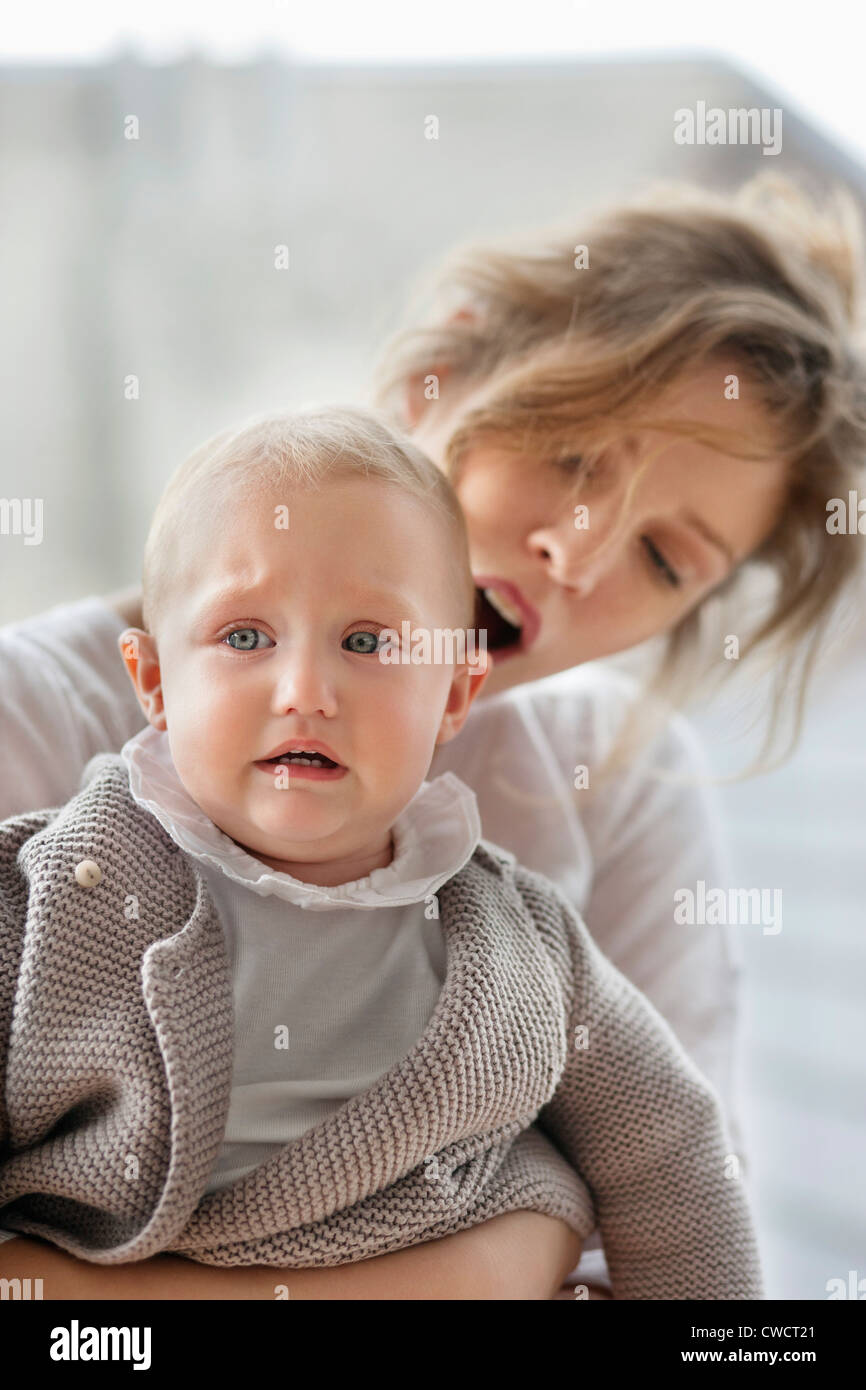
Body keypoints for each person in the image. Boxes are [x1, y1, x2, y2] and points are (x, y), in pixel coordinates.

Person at [1, 173, 863, 1299]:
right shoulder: (35, 719)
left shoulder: (617, 785)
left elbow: (673, 1207)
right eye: (574, 457)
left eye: (663, 560)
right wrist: (485, 1265)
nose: (582, 555)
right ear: (436, 375)